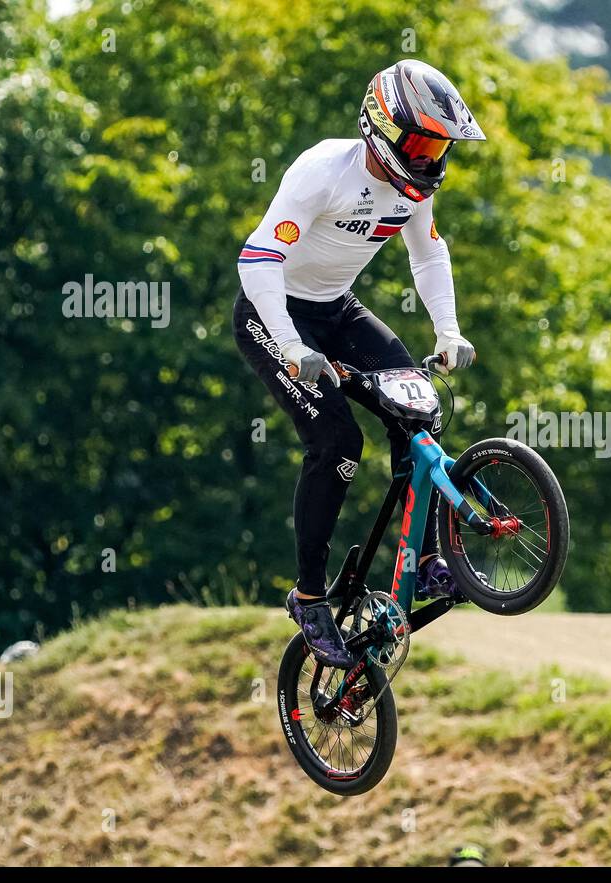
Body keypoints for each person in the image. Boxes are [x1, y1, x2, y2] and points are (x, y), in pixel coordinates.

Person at [232, 59, 485, 668]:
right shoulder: (322, 171)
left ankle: (427, 558)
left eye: (439, 148)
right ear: (382, 128)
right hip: (272, 314)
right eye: (420, 145)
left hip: (337, 309)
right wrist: (292, 347)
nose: (429, 161)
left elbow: (428, 255)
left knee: (419, 406)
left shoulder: (412, 189)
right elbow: (257, 259)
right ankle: (309, 596)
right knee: (338, 444)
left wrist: (448, 330)